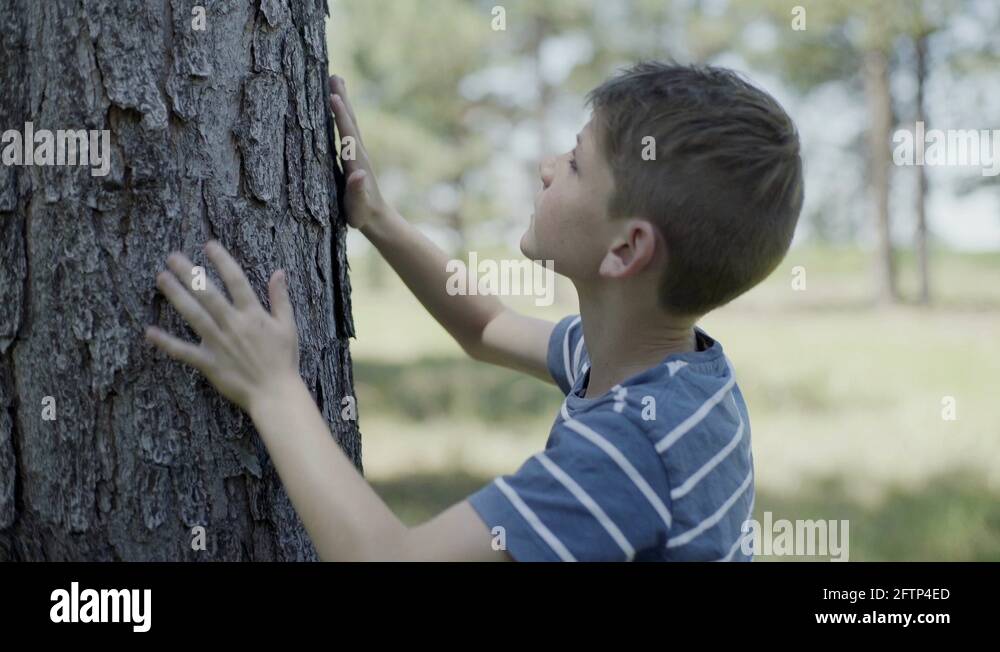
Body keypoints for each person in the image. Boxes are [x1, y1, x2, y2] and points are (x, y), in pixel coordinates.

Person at [145, 61, 804, 561]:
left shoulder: (628, 455)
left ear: (626, 249)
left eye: (575, 164)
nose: (547, 167)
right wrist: (379, 220)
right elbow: (485, 326)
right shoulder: (670, 372)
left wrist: (272, 388)